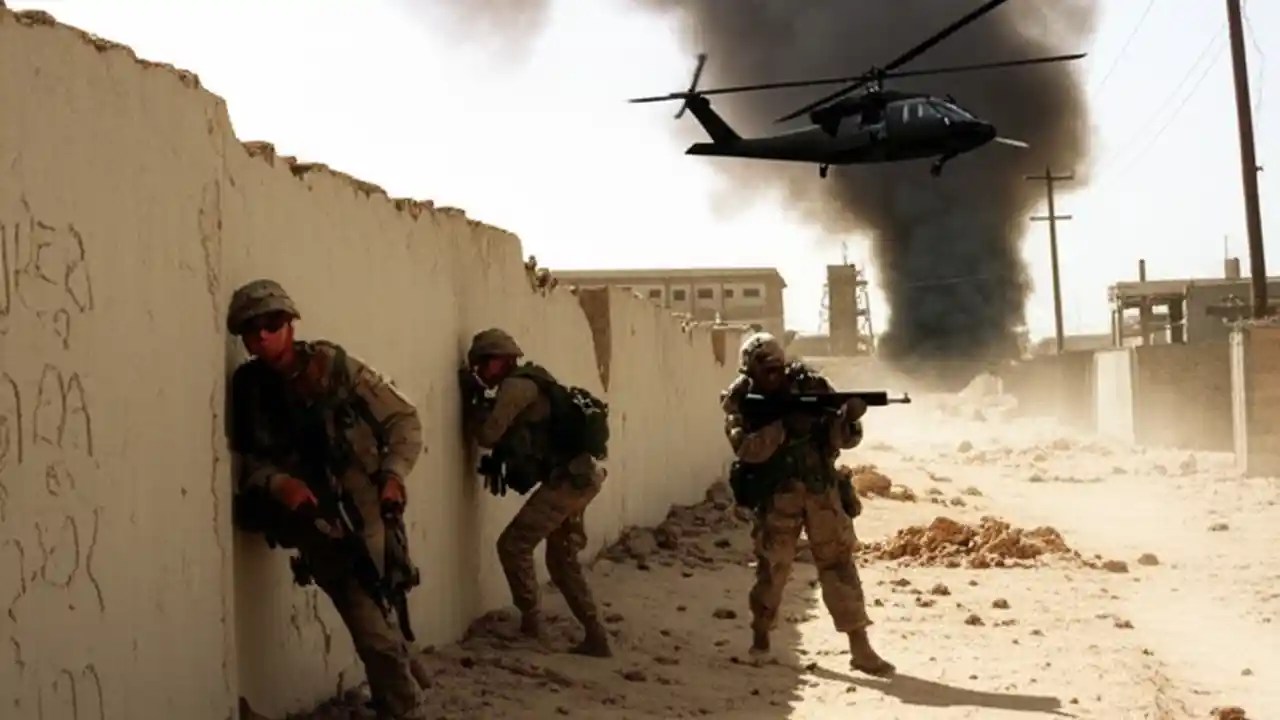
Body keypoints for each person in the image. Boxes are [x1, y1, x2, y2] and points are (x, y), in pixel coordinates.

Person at [224, 279, 431, 719]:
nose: (263, 334)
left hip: (370, 508)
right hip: (319, 523)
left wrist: (393, 476)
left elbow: (403, 419)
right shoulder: (250, 390)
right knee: (372, 627)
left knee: (384, 601)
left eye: (272, 323)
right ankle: (404, 703)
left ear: (291, 325)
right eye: (251, 328)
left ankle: (400, 686)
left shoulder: (333, 367)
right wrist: (280, 485)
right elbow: (247, 463)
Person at [720, 331, 895, 677]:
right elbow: (747, 450)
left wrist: (847, 419)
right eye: (764, 369)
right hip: (777, 496)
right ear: (750, 372)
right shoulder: (741, 400)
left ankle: (860, 648)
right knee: (773, 568)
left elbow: (846, 440)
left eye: (776, 366)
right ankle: (761, 641)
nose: (773, 374)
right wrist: (784, 428)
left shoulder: (811, 385)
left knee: (839, 565)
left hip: (821, 493)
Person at [458, 328, 612, 658]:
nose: (481, 375)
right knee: (561, 560)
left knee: (514, 545)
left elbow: (487, 435)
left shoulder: (516, 387)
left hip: (568, 481)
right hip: (580, 476)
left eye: (482, 367)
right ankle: (596, 634)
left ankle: (532, 623)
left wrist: (473, 405)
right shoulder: (533, 380)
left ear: (497, 361)